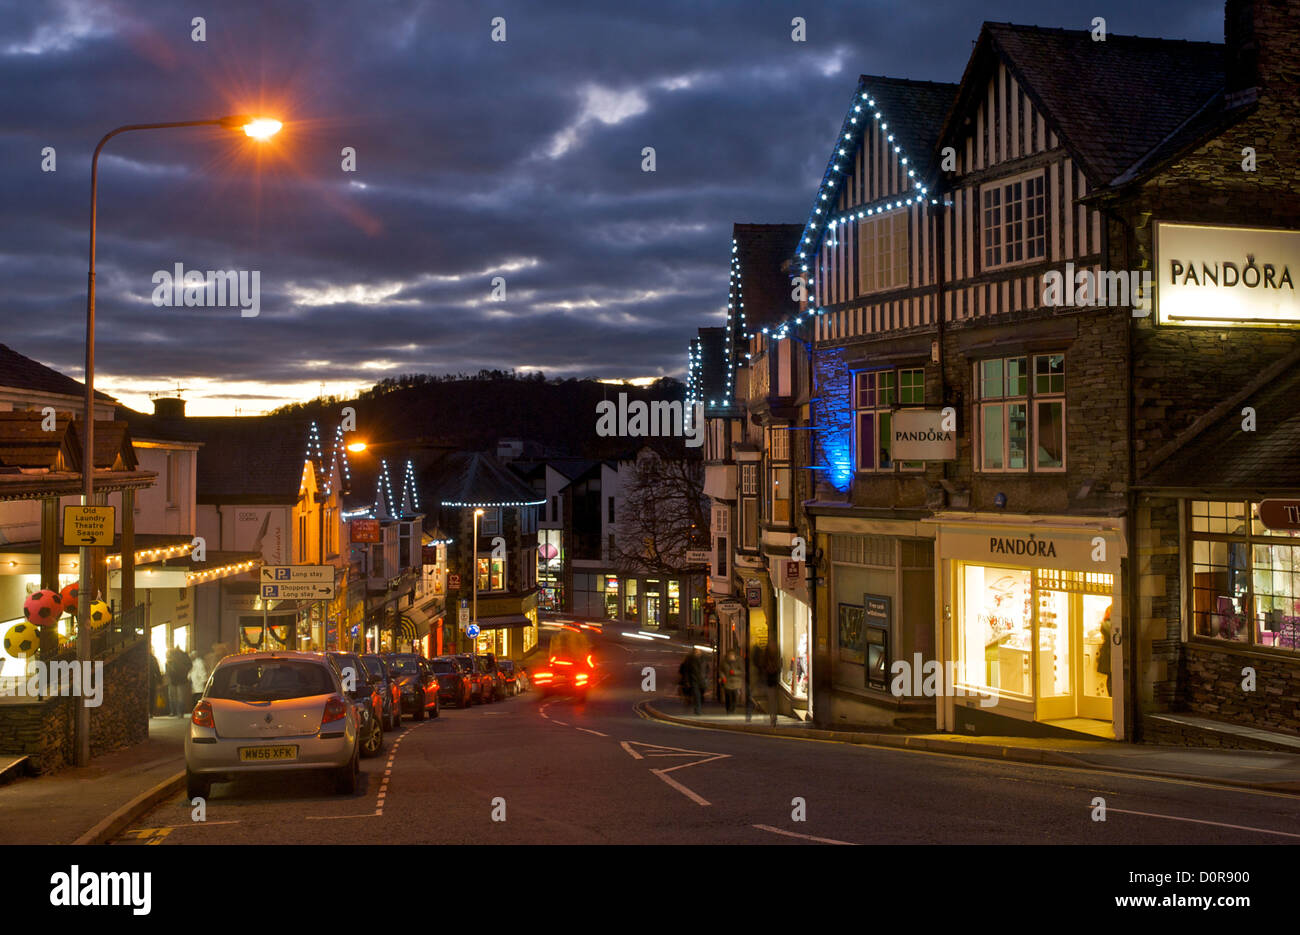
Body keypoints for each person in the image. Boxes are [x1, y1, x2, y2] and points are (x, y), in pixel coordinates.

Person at [165, 645, 192, 717]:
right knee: (181, 697)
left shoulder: (170, 658)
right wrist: (185, 673)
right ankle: (180, 713)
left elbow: (168, 670)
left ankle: (173, 712)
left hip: (173, 679)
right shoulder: (183, 656)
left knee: (172, 696)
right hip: (181, 679)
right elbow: (190, 665)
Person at [762, 640, 782, 726]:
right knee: (772, 700)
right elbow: (764, 667)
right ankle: (773, 717)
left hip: (776, 681)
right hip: (770, 681)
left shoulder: (776, 657)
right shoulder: (767, 658)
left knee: (774, 700)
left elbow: (779, 667)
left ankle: (773, 717)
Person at [722, 646, 743, 714]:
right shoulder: (724, 661)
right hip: (727, 682)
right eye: (729, 655)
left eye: (732, 655)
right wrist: (723, 677)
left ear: (734, 655)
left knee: (735, 697)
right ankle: (728, 710)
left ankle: (733, 709)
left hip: (736, 682)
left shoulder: (739, 661)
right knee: (728, 697)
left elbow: (742, 671)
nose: (730, 656)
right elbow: (720, 670)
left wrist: (734, 672)